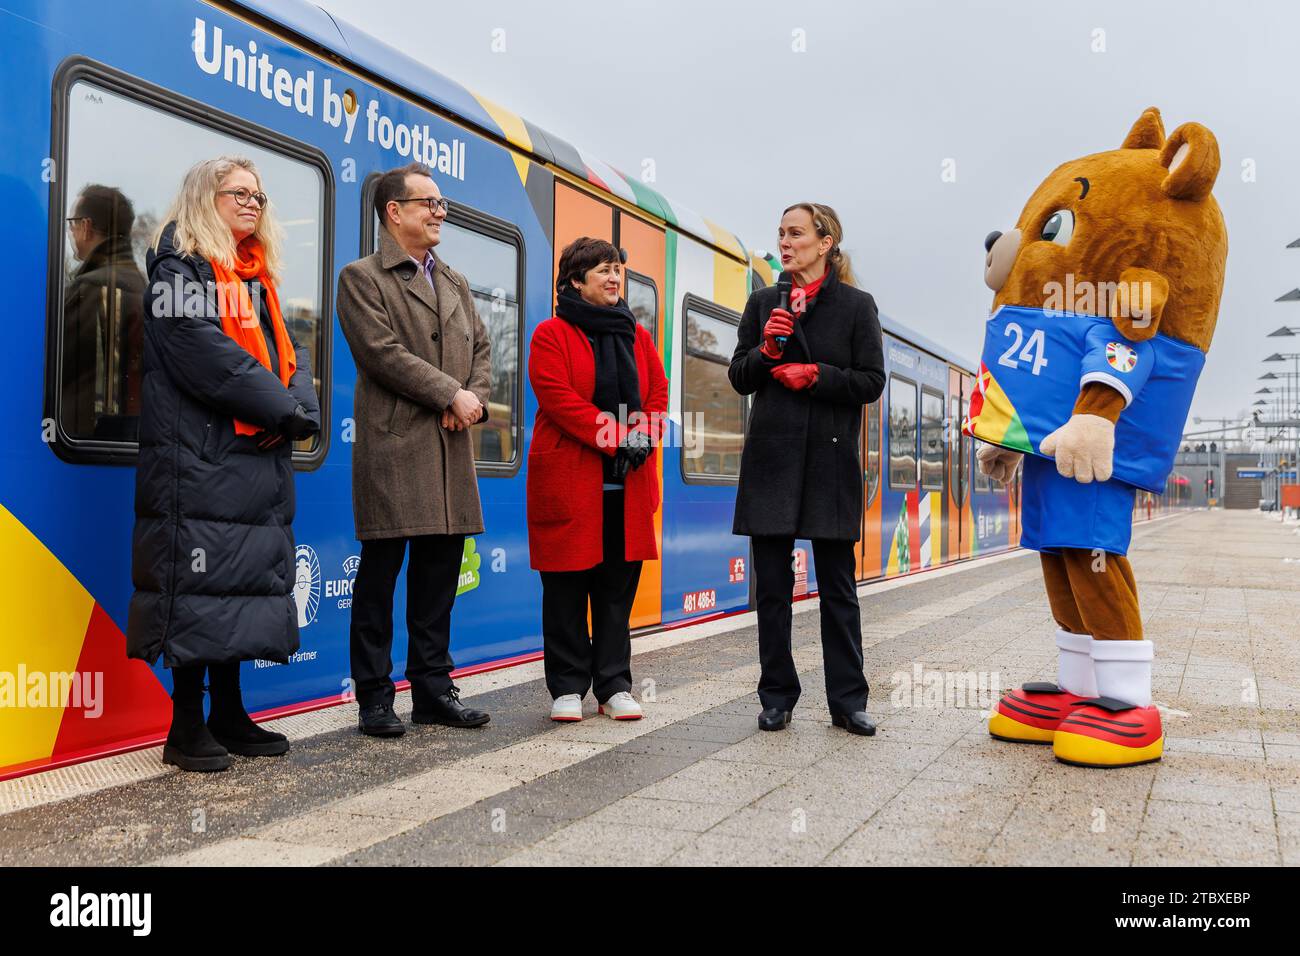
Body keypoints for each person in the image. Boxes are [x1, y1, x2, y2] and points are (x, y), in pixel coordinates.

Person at [128, 157, 321, 772]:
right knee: (199, 588)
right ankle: (184, 727)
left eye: (259, 196)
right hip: (199, 456)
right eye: (238, 192)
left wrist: (299, 409)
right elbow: (201, 352)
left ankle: (230, 713)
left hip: (249, 452)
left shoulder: (253, 275)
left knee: (234, 584)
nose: (253, 203)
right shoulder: (175, 267)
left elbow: (292, 355)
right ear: (202, 197)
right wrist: (281, 412)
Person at [336, 163, 492, 737]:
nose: (439, 211)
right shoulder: (361, 277)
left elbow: (482, 347)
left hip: (450, 450)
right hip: (395, 449)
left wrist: (470, 397)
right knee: (379, 579)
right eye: (428, 202)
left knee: (437, 581)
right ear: (393, 211)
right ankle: (374, 698)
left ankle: (432, 690)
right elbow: (381, 353)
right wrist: (449, 393)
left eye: (442, 202)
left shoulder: (454, 281)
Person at [729, 203, 885, 735]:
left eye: (795, 233)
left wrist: (816, 375)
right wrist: (768, 349)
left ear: (826, 241)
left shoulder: (857, 306)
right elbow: (740, 376)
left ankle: (848, 701)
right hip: (771, 461)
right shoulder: (761, 303)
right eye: (780, 233)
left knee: (838, 590)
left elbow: (871, 381)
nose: (785, 241)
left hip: (830, 463)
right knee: (772, 591)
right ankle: (777, 697)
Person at [526, 238, 667, 722]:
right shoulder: (551, 334)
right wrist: (616, 437)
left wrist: (644, 437)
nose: (613, 278)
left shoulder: (638, 337)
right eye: (603, 270)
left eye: (618, 271)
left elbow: (659, 393)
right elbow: (558, 398)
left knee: (615, 593)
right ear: (574, 281)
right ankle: (566, 687)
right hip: (571, 484)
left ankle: (614, 686)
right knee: (565, 589)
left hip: (626, 489)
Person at [62, 184, 145, 441]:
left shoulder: (89, 286)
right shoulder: (144, 285)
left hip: (89, 432)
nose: (71, 232)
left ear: (85, 226)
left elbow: (67, 368)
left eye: (72, 224)